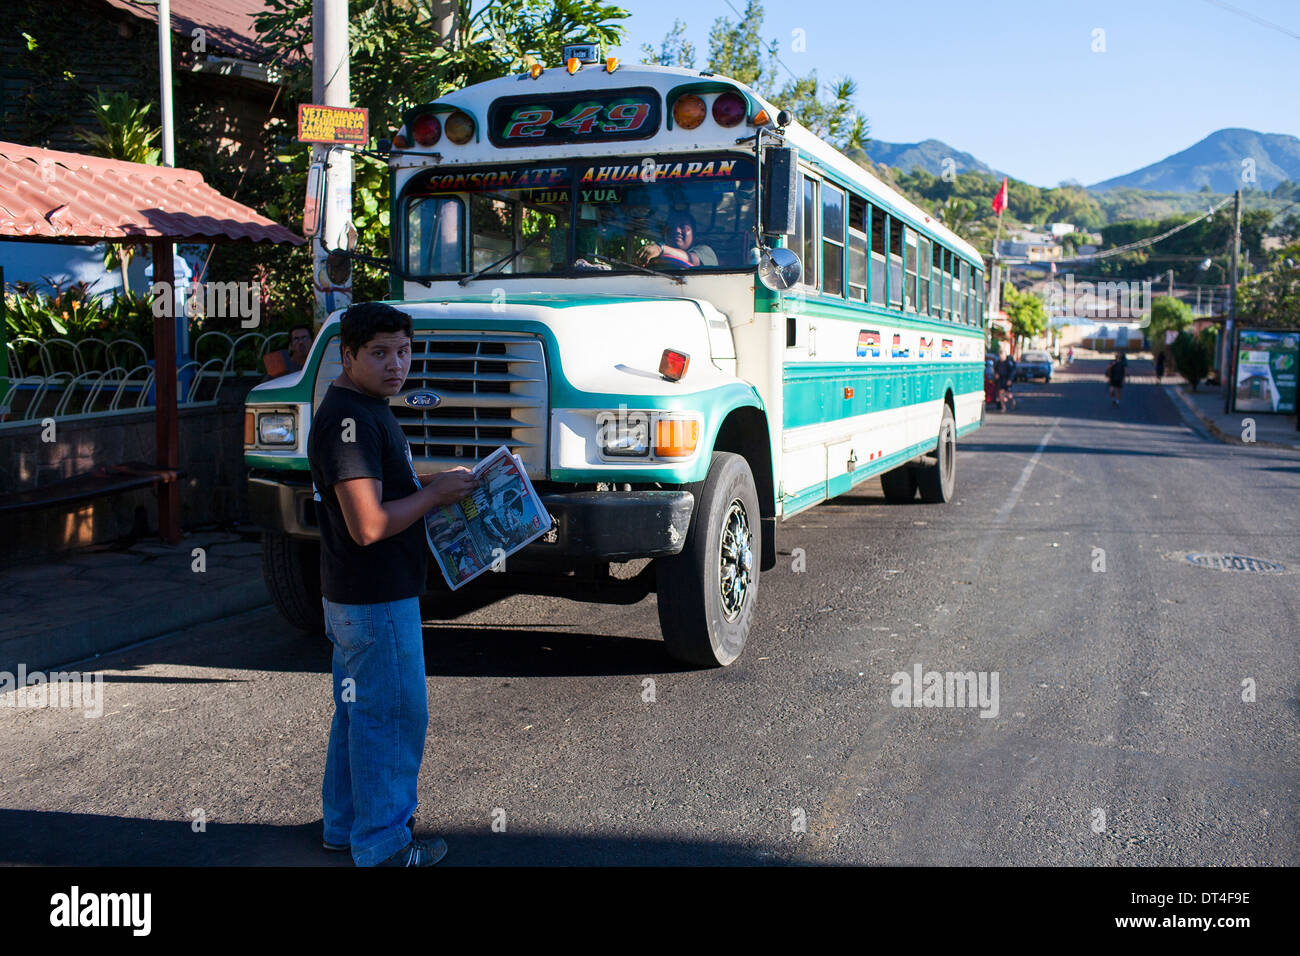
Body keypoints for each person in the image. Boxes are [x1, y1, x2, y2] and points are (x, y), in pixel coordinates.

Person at [307, 301, 479, 867]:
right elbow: (369, 524)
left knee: (359, 712)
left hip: (354, 596)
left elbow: (380, 492)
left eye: (403, 351)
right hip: (376, 597)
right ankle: (383, 846)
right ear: (348, 354)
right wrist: (432, 497)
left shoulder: (361, 408)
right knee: (393, 715)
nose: (396, 364)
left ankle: (346, 827)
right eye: (379, 353)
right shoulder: (351, 421)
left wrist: (436, 483)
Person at [635, 210, 718, 269]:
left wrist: (660, 249)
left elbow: (692, 260)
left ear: (694, 233)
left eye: (683, 226)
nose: (677, 230)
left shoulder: (705, 251)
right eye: (671, 227)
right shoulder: (655, 257)